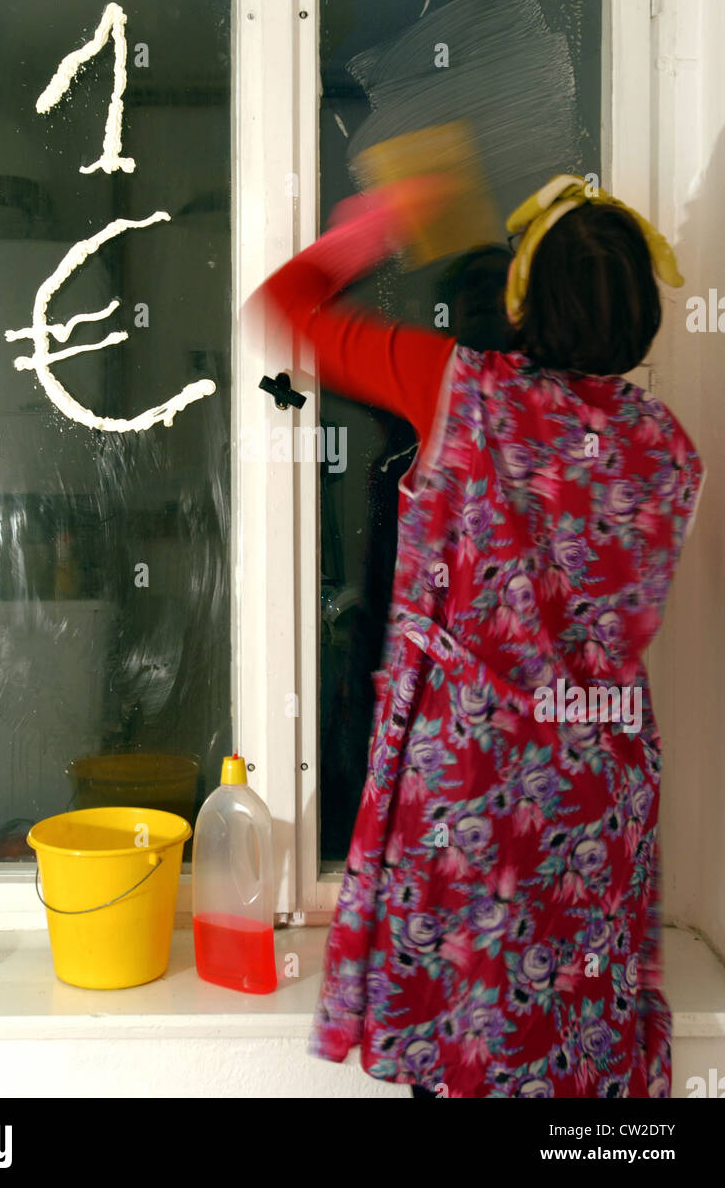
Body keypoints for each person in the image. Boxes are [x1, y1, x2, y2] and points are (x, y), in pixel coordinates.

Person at [242, 173, 705, 1099]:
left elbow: (281, 309)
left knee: (466, 1047)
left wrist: (377, 224)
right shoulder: (668, 446)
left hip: (474, 789)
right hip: (598, 797)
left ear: (525, 303)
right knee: (575, 1054)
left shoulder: (458, 388)